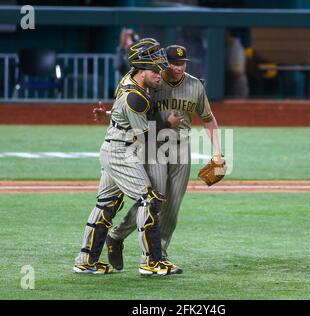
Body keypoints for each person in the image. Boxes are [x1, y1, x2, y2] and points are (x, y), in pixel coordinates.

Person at [95, 44, 225, 274]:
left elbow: (208, 119)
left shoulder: (194, 85)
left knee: (172, 206)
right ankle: (119, 237)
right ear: (165, 63)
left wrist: (218, 153)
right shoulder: (153, 82)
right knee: (155, 199)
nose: (178, 68)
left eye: (182, 63)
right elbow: (130, 107)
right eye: (173, 63)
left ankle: (160, 254)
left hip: (181, 146)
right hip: (153, 145)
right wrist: (107, 114)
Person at [73, 38, 183, 276]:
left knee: (106, 204)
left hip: (113, 147)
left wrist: (110, 114)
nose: (160, 74)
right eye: (155, 70)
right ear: (141, 71)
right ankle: (151, 262)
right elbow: (147, 137)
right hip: (121, 152)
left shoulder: (130, 82)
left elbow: (126, 111)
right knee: (149, 199)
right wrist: (170, 124)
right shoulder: (136, 97)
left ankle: (85, 261)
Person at [225, 29, 249, 98]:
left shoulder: (236, 48)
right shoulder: (226, 46)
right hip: (230, 84)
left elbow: (237, 72)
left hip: (238, 85)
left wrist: (222, 75)